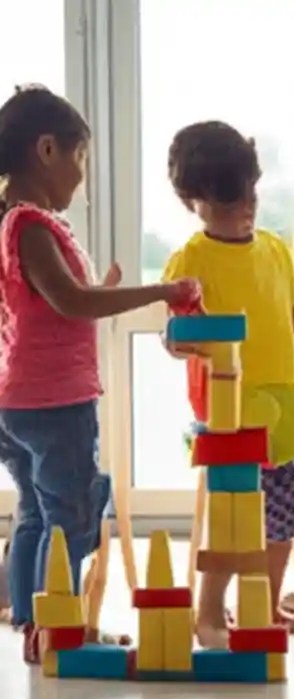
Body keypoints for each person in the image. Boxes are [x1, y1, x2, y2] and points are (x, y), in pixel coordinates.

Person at [0, 85, 199, 663]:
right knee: (70, 514)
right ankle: (61, 631)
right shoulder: (32, 225)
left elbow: (52, 304)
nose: (81, 178)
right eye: (79, 158)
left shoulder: (11, 222)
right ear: (46, 151)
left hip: (18, 399)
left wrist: (99, 293)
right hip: (53, 401)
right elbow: (70, 301)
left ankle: (35, 625)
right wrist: (162, 290)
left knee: (37, 511)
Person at [160, 121, 294, 648]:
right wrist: (187, 341)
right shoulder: (191, 260)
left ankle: (265, 608)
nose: (244, 207)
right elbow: (177, 334)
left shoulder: (274, 250)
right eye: (228, 199)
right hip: (229, 407)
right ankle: (208, 612)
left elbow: (286, 312)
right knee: (233, 515)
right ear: (194, 201)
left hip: (286, 400)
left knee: (283, 515)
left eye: (249, 193)